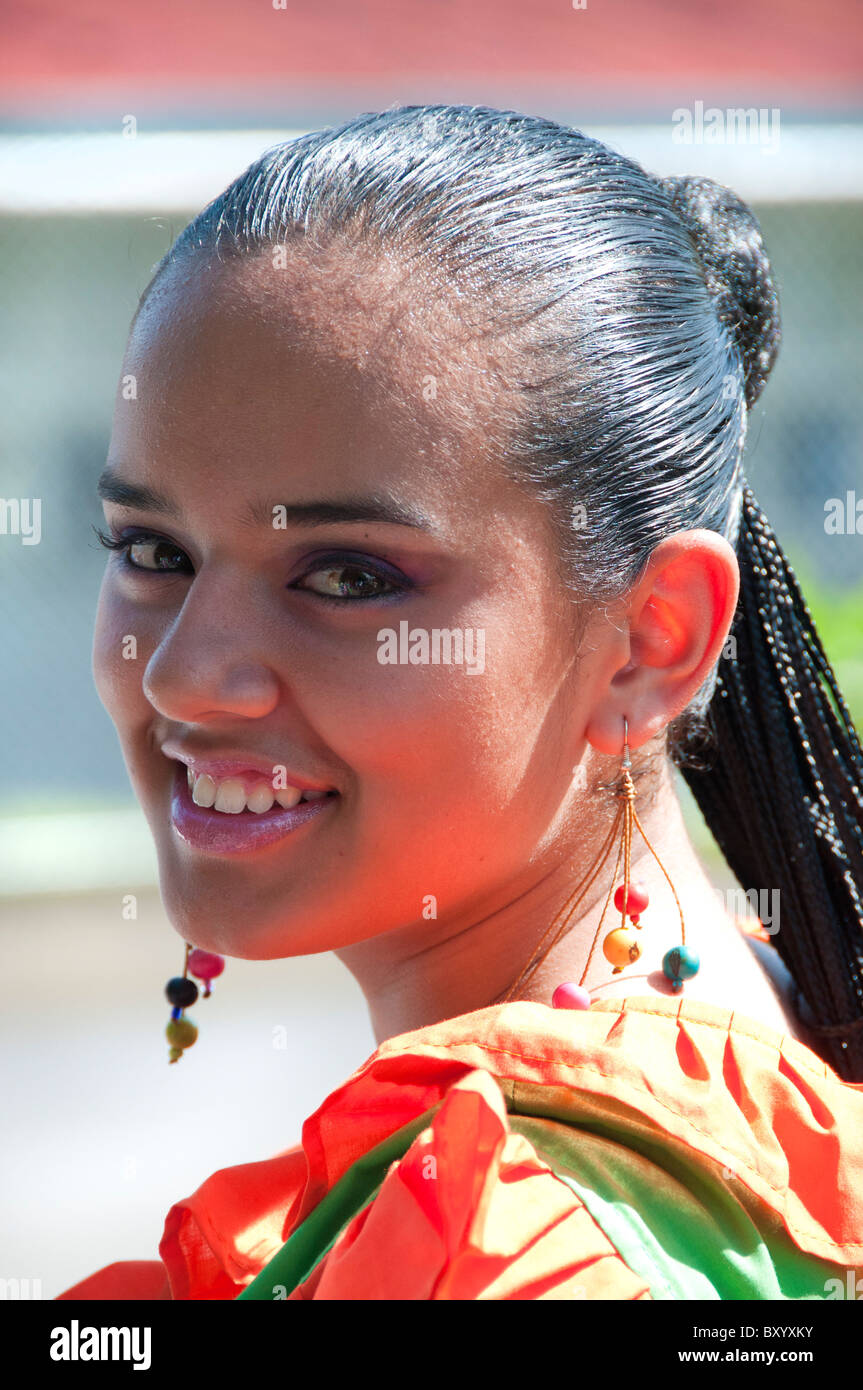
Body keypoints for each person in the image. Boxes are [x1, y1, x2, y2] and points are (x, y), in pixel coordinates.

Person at [58, 105, 863, 1301]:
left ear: (652, 640)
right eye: (151, 548)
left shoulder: (520, 1250)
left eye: (345, 576)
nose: (183, 673)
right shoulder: (766, 1044)